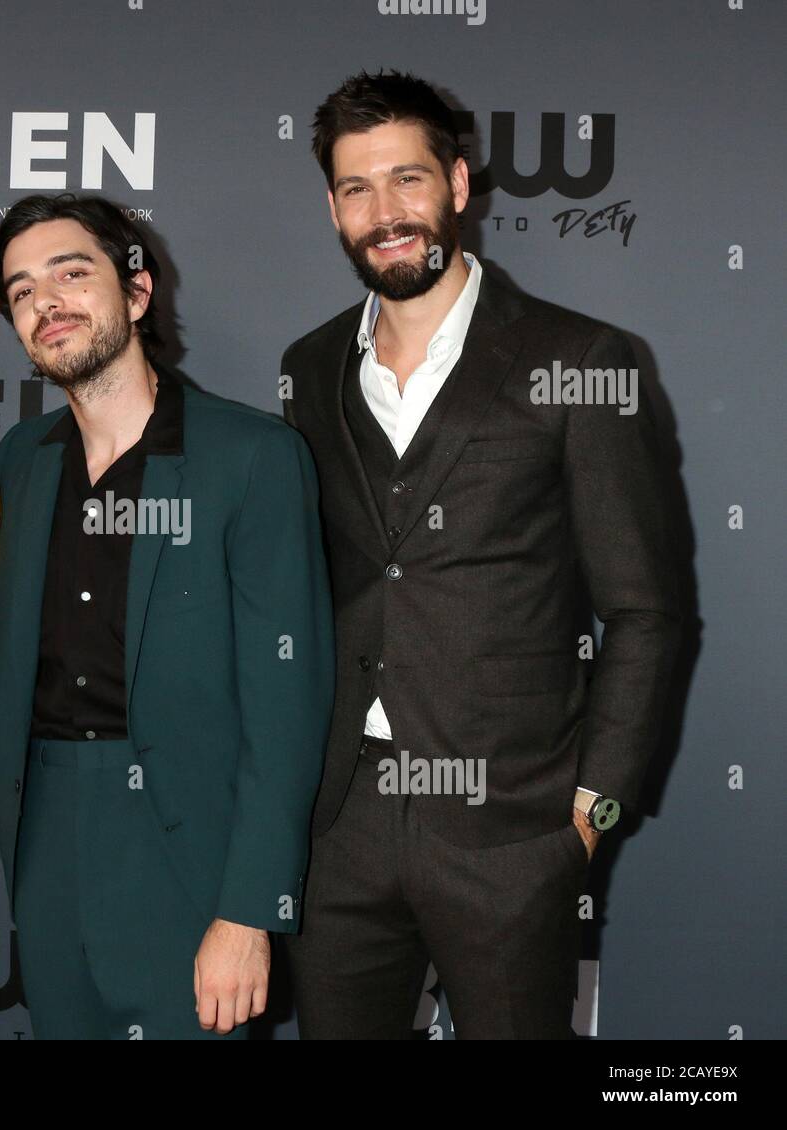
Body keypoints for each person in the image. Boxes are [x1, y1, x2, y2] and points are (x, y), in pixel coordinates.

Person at [280, 70, 682, 1038]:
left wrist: (589, 812)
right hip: (342, 822)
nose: (386, 213)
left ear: (459, 185)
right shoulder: (309, 365)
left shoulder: (581, 360)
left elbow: (645, 610)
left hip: (513, 825)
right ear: (331, 207)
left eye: (407, 179)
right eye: (356, 189)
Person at [0, 193, 335, 1039]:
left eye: (71, 273)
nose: (46, 302)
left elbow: (288, 708)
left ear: (137, 292)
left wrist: (248, 913)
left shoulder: (250, 457)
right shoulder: (17, 465)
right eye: (23, 291)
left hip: (188, 849)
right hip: (46, 839)